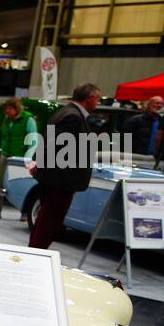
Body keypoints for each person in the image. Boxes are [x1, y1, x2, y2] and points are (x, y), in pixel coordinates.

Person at [29, 82, 101, 250]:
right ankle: (36, 253)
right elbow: (57, 149)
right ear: (89, 98)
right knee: (49, 222)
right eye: (97, 98)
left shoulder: (66, 112)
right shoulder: (73, 117)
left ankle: (36, 250)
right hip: (60, 180)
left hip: (56, 178)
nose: (97, 103)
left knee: (46, 220)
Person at [0, 97, 36, 218]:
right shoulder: (7, 119)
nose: (7, 111)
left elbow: (33, 139)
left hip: (19, 158)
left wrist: (28, 157)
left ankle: (25, 213)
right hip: (5, 154)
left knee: (20, 186)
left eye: (10, 109)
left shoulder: (28, 119)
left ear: (16, 109)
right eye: (6, 109)